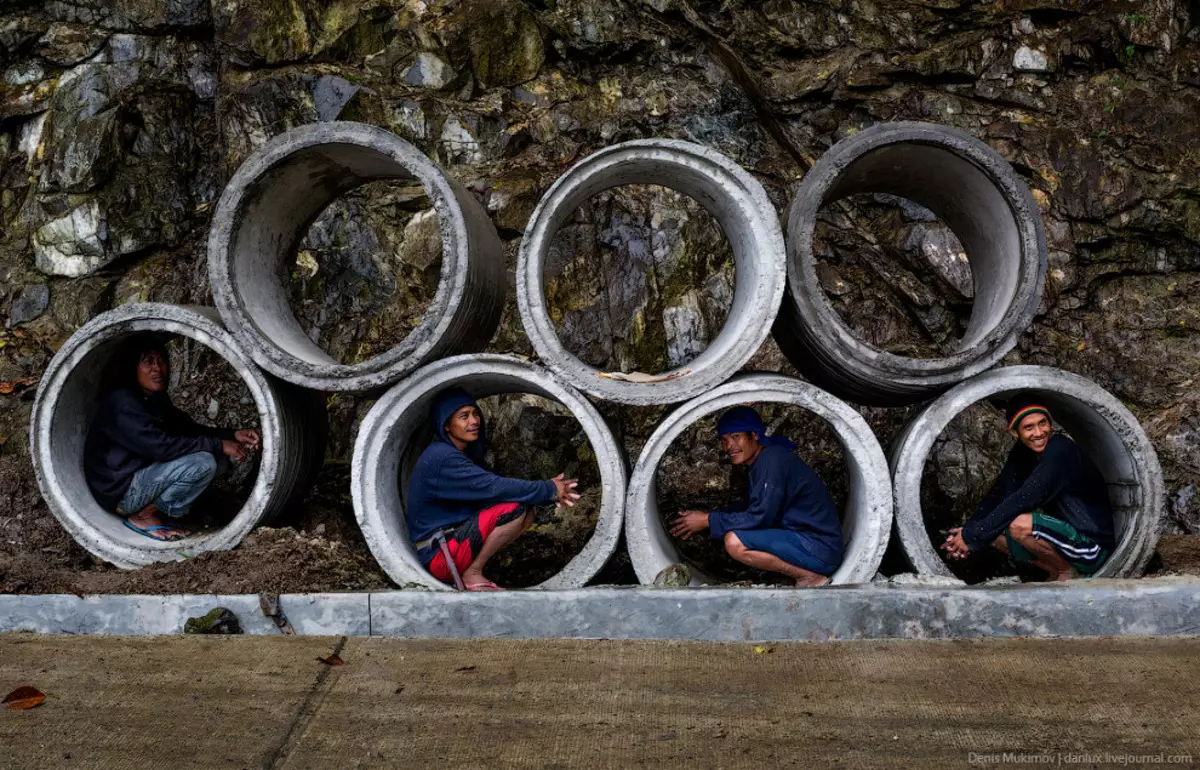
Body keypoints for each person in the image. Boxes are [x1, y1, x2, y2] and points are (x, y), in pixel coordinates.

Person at [84, 339, 261, 541]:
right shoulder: (124, 402)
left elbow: (187, 430)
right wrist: (218, 445)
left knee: (217, 458)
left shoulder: (153, 398)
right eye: (148, 362)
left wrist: (231, 436)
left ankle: (158, 510)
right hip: (121, 490)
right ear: (132, 366)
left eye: (161, 361)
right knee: (203, 463)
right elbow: (161, 448)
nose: (157, 368)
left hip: (140, 475)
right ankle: (144, 516)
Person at [406, 387, 581, 591]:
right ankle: (470, 574)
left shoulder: (461, 455)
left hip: (451, 548)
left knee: (527, 510)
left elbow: (496, 489)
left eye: (475, 414)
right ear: (446, 425)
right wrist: (547, 489)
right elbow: (494, 488)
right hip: (440, 556)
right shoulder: (442, 457)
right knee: (515, 509)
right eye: (464, 416)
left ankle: (469, 570)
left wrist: (548, 493)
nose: (474, 421)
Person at [940, 394, 1116, 581]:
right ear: (1015, 432)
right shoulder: (1024, 452)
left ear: (1051, 424)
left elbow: (1027, 497)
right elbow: (1000, 492)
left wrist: (972, 536)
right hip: (1066, 542)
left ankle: (1068, 572)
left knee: (1019, 525)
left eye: (1043, 423)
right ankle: (1056, 569)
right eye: (1029, 427)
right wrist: (968, 532)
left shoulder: (1060, 449)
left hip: (1092, 547)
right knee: (992, 531)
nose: (1039, 433)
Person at [669, 406, 843, 587]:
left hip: (819, 549)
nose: (729, 446)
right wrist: (708, 517)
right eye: (724, 439)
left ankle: (809, 577)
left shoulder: (771, 461)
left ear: (754, 435)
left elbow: (761, 517)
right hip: (810, 545)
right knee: (734, 532)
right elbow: (750, 508)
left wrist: (708, 520)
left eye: (736, 437)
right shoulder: (763, 459)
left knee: (734, 542)